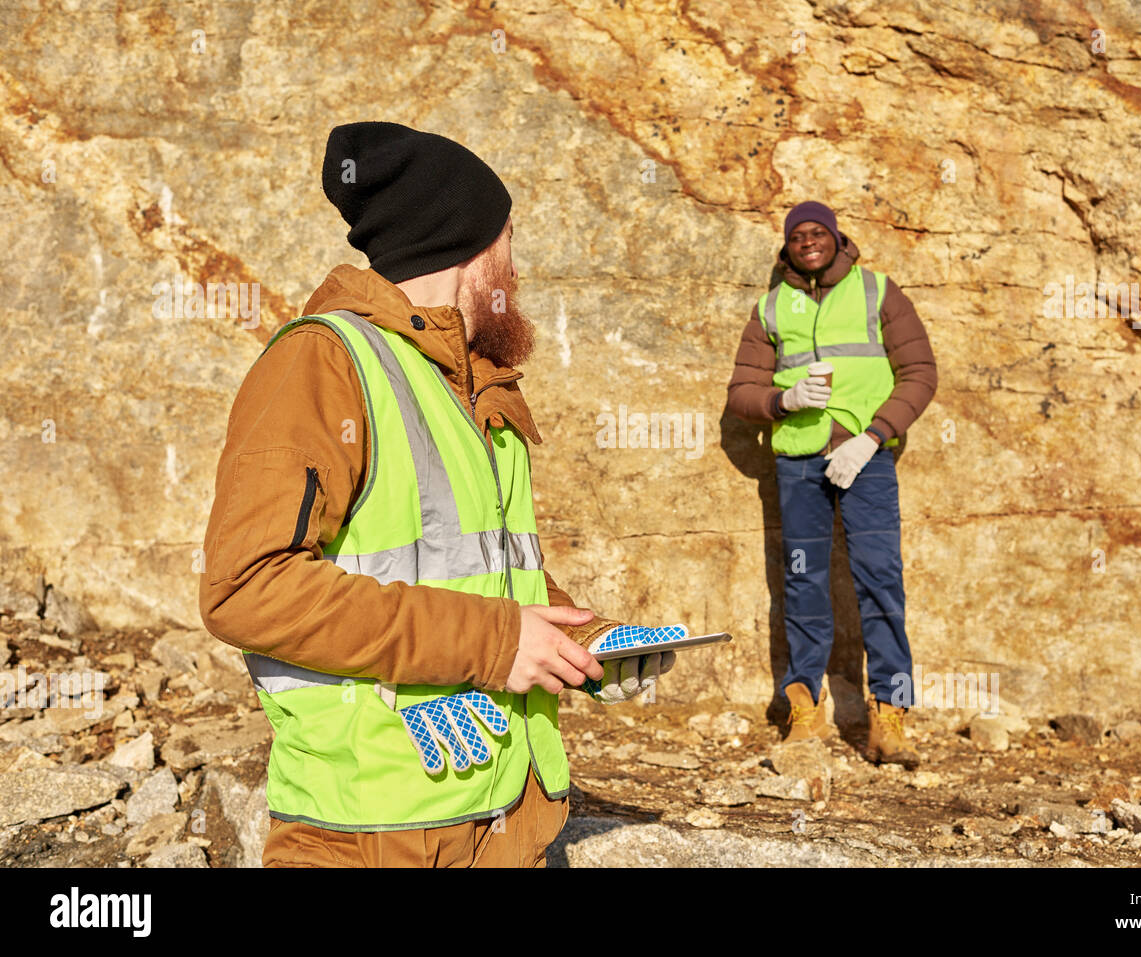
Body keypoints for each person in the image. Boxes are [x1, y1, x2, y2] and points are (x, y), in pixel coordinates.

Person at [198, 122, 676, 867]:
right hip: (369, 833)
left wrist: (580, 641)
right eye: (506, 242)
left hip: (500, 821)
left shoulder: (472, 386)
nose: (514, 270)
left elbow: (476, 570)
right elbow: (248, 587)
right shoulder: (323, 364)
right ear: (465, 245)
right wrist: (495, 642)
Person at [725, 201, 937, 768]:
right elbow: (741, 393)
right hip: (798, 466)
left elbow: (920, 373)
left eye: (819, 232)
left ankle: (890, 718)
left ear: (837, 238)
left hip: (867, 459)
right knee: (802, 588)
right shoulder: (771, 307)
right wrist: (782, 400)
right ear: (788, 246)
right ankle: (805, 712)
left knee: (881, 583)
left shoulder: (877, 291)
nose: (809, 241)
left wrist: (873, 436)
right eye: (798, 235)